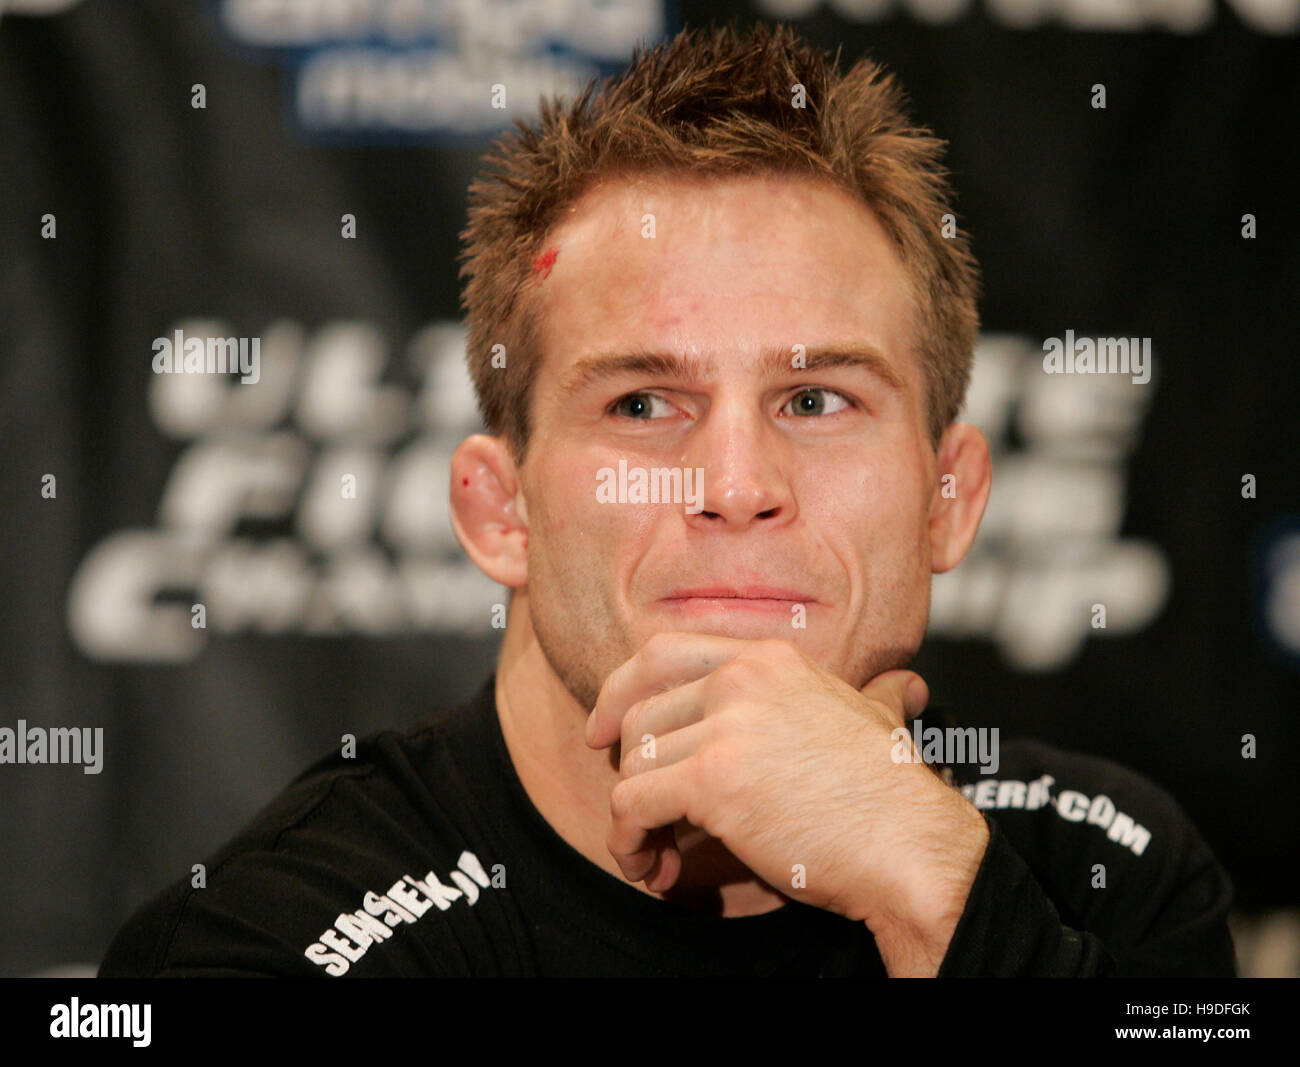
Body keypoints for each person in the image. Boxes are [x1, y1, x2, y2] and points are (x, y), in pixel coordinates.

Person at [99, 21, 1235, 978]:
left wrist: (943, 893)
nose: (735, 487)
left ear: (950, 496)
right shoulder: (269, 941)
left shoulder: (1105, 873)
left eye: (816, 398)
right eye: (644, 404)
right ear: (501, 512)